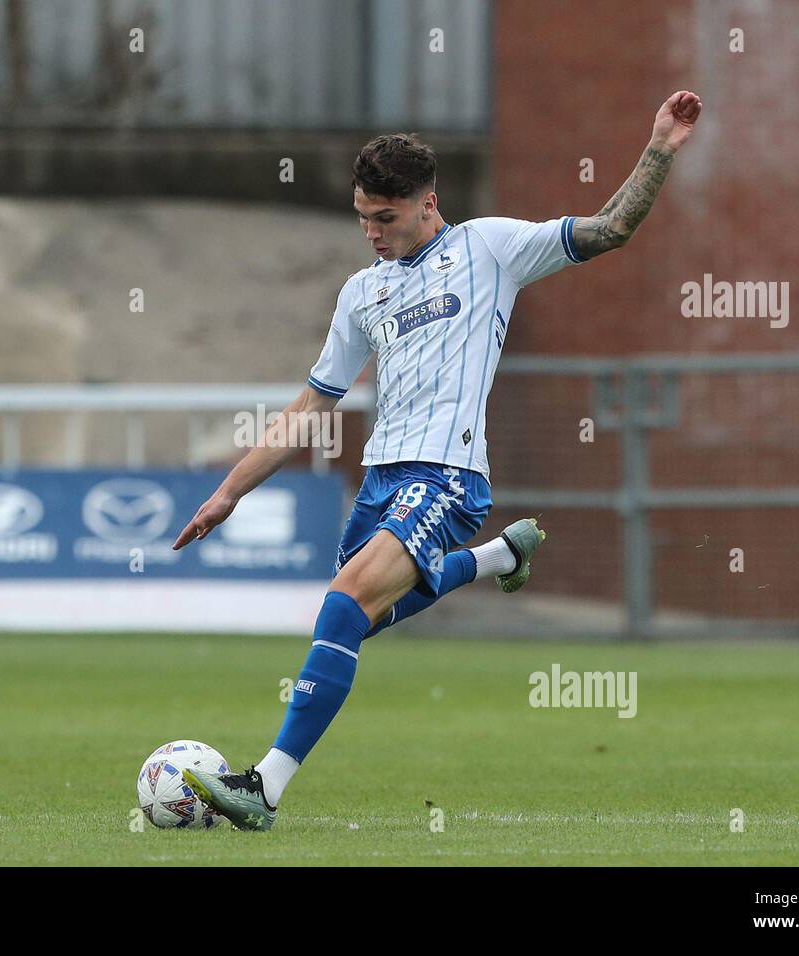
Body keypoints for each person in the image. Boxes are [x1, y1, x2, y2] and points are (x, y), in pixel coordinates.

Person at [172, 91, 703, 830]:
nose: (371, 232)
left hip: (447, 478)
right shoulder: (362, 292)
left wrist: (659, 148)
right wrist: (229, 493)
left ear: (428, 204)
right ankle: (496, 561)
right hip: (380, 483)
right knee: (362, 622)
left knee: (342, 604)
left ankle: (263, 788)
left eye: (384, 218)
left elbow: (610, 229)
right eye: (362, 217)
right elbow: (312, 404)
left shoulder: (489, 247)